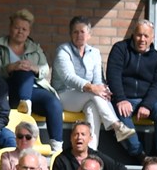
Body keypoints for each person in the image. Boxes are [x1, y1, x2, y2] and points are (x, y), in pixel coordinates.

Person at [51, 16, 138, 150]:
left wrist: (103, 90)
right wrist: (92, 87)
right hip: (63, 95)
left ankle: (91, 152)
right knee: (94, 95)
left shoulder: (95, 53)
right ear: (70, 34)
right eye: (75, 32)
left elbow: (98, 79)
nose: (79, 35)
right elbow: (69, 77)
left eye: (82, 32)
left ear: (89, 35)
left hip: (86, 96)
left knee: (92, 108)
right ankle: (116, 126)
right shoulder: (63, 51)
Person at [0, 8, 64, 153]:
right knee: (22, 71)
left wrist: (34, 68)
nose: (20, 31)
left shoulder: (35, 48)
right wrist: (12, 67)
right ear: (10, 28)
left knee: (53, 102)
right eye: (17, 28)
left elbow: (44, 70)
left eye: (24, 29)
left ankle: (57, 147)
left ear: (29, 31)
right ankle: (25, 103)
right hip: (8, 92)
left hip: (31, 91)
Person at [106, 20, 157, 162]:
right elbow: (113, 75)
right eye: (139, 35)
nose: (142, 39)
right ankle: (138, 153)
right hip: (123, 98)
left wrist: (147, 104)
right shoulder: (120, 49)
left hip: (145, 100)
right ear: (133, 35)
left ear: (152, 38)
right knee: (121, 111)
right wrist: (121, 98)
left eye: (146, 36)